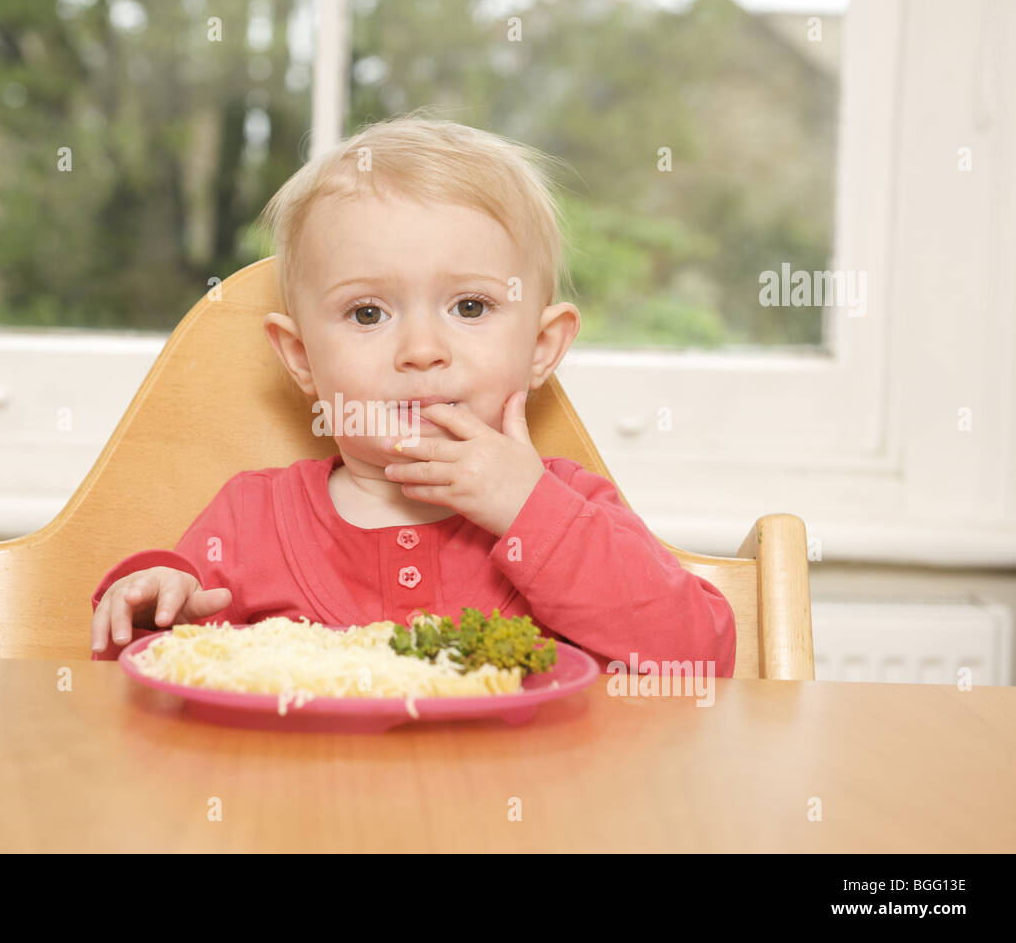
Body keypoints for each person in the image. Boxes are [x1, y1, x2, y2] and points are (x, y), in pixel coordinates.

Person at [90, 112, 736, 677]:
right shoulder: (248, 521)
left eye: (471, 305)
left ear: (542, 348)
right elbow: (162, 684)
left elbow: (700, 653)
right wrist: (152, 612)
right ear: (301, 358)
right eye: (368, 314)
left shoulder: (567, 505)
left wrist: (528, 509)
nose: (421, 349)